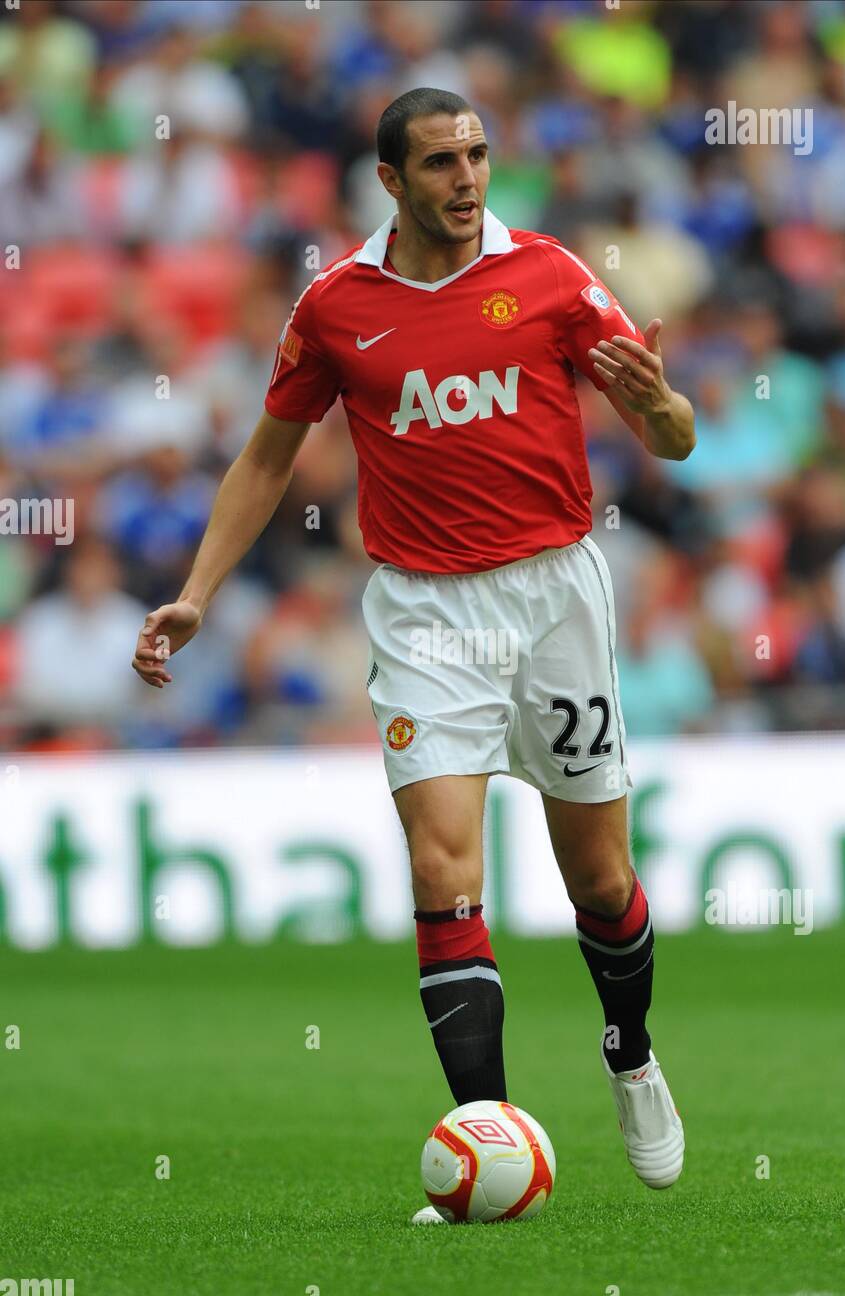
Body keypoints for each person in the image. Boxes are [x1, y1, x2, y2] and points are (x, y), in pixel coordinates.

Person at [131, 88, 696, 1222]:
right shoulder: (339, 306)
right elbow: (264, 458)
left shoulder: (546, 275)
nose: (467, 178)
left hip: (553, 601)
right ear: (389, 180)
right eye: (440, 161)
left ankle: (628, 1053)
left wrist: (665, 405)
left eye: (478, 155)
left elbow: (673, 440)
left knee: (598, 877)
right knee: (442, 871)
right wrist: (196, 594)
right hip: (422, 612)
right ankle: (482, 1139)